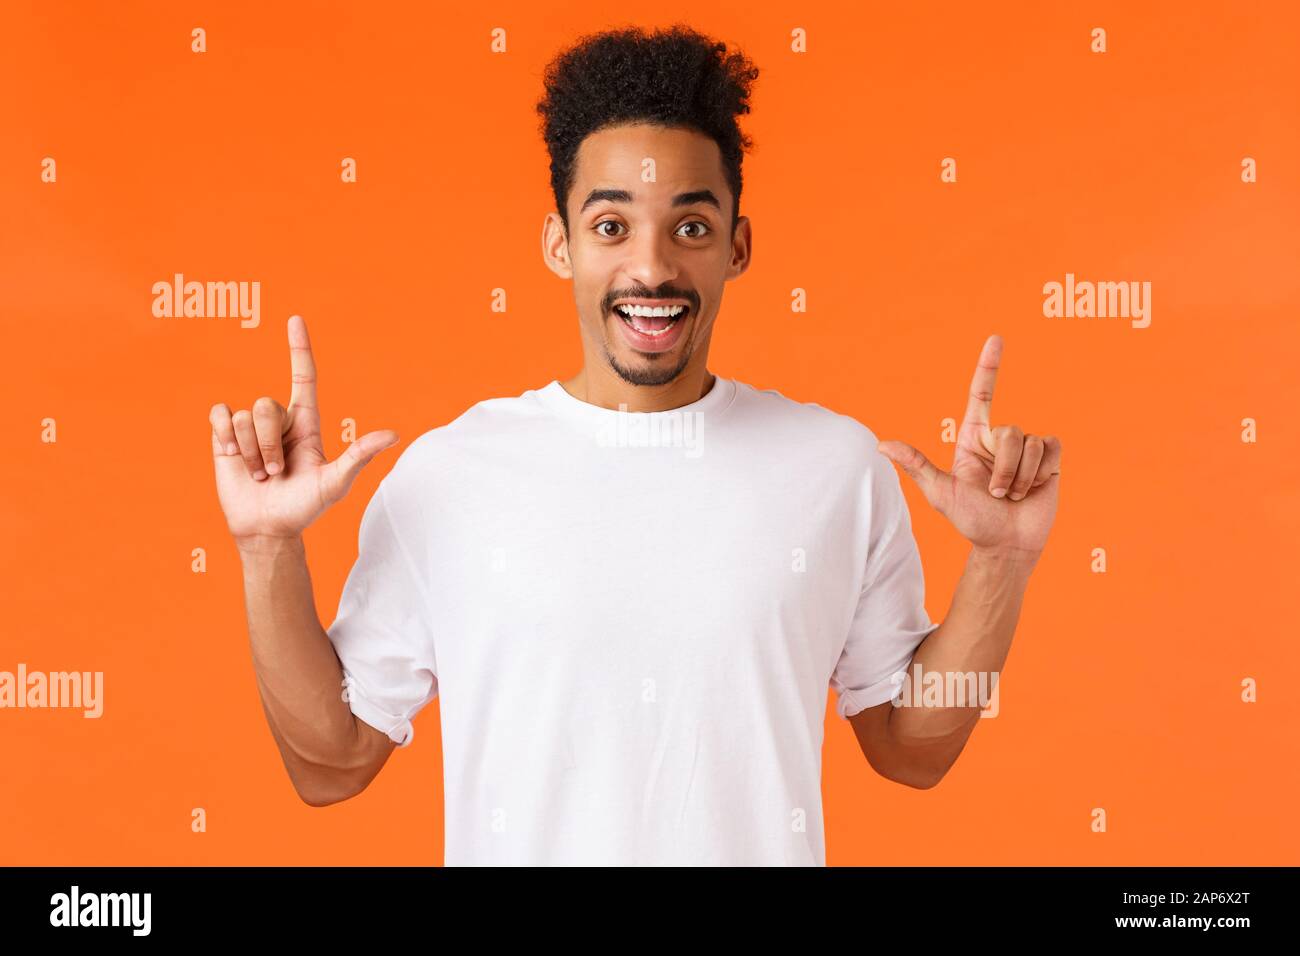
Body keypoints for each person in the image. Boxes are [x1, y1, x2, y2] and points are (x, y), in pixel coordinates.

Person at [208, 23, 1061, 866]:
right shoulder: (447, 479)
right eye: (611, 226)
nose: (650, 269)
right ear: (560, 245)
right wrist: (264, 546)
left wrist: (1000, 563)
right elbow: (331, 765)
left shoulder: (835, 470)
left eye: (690, 228)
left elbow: (912, 751)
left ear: (738, 246)